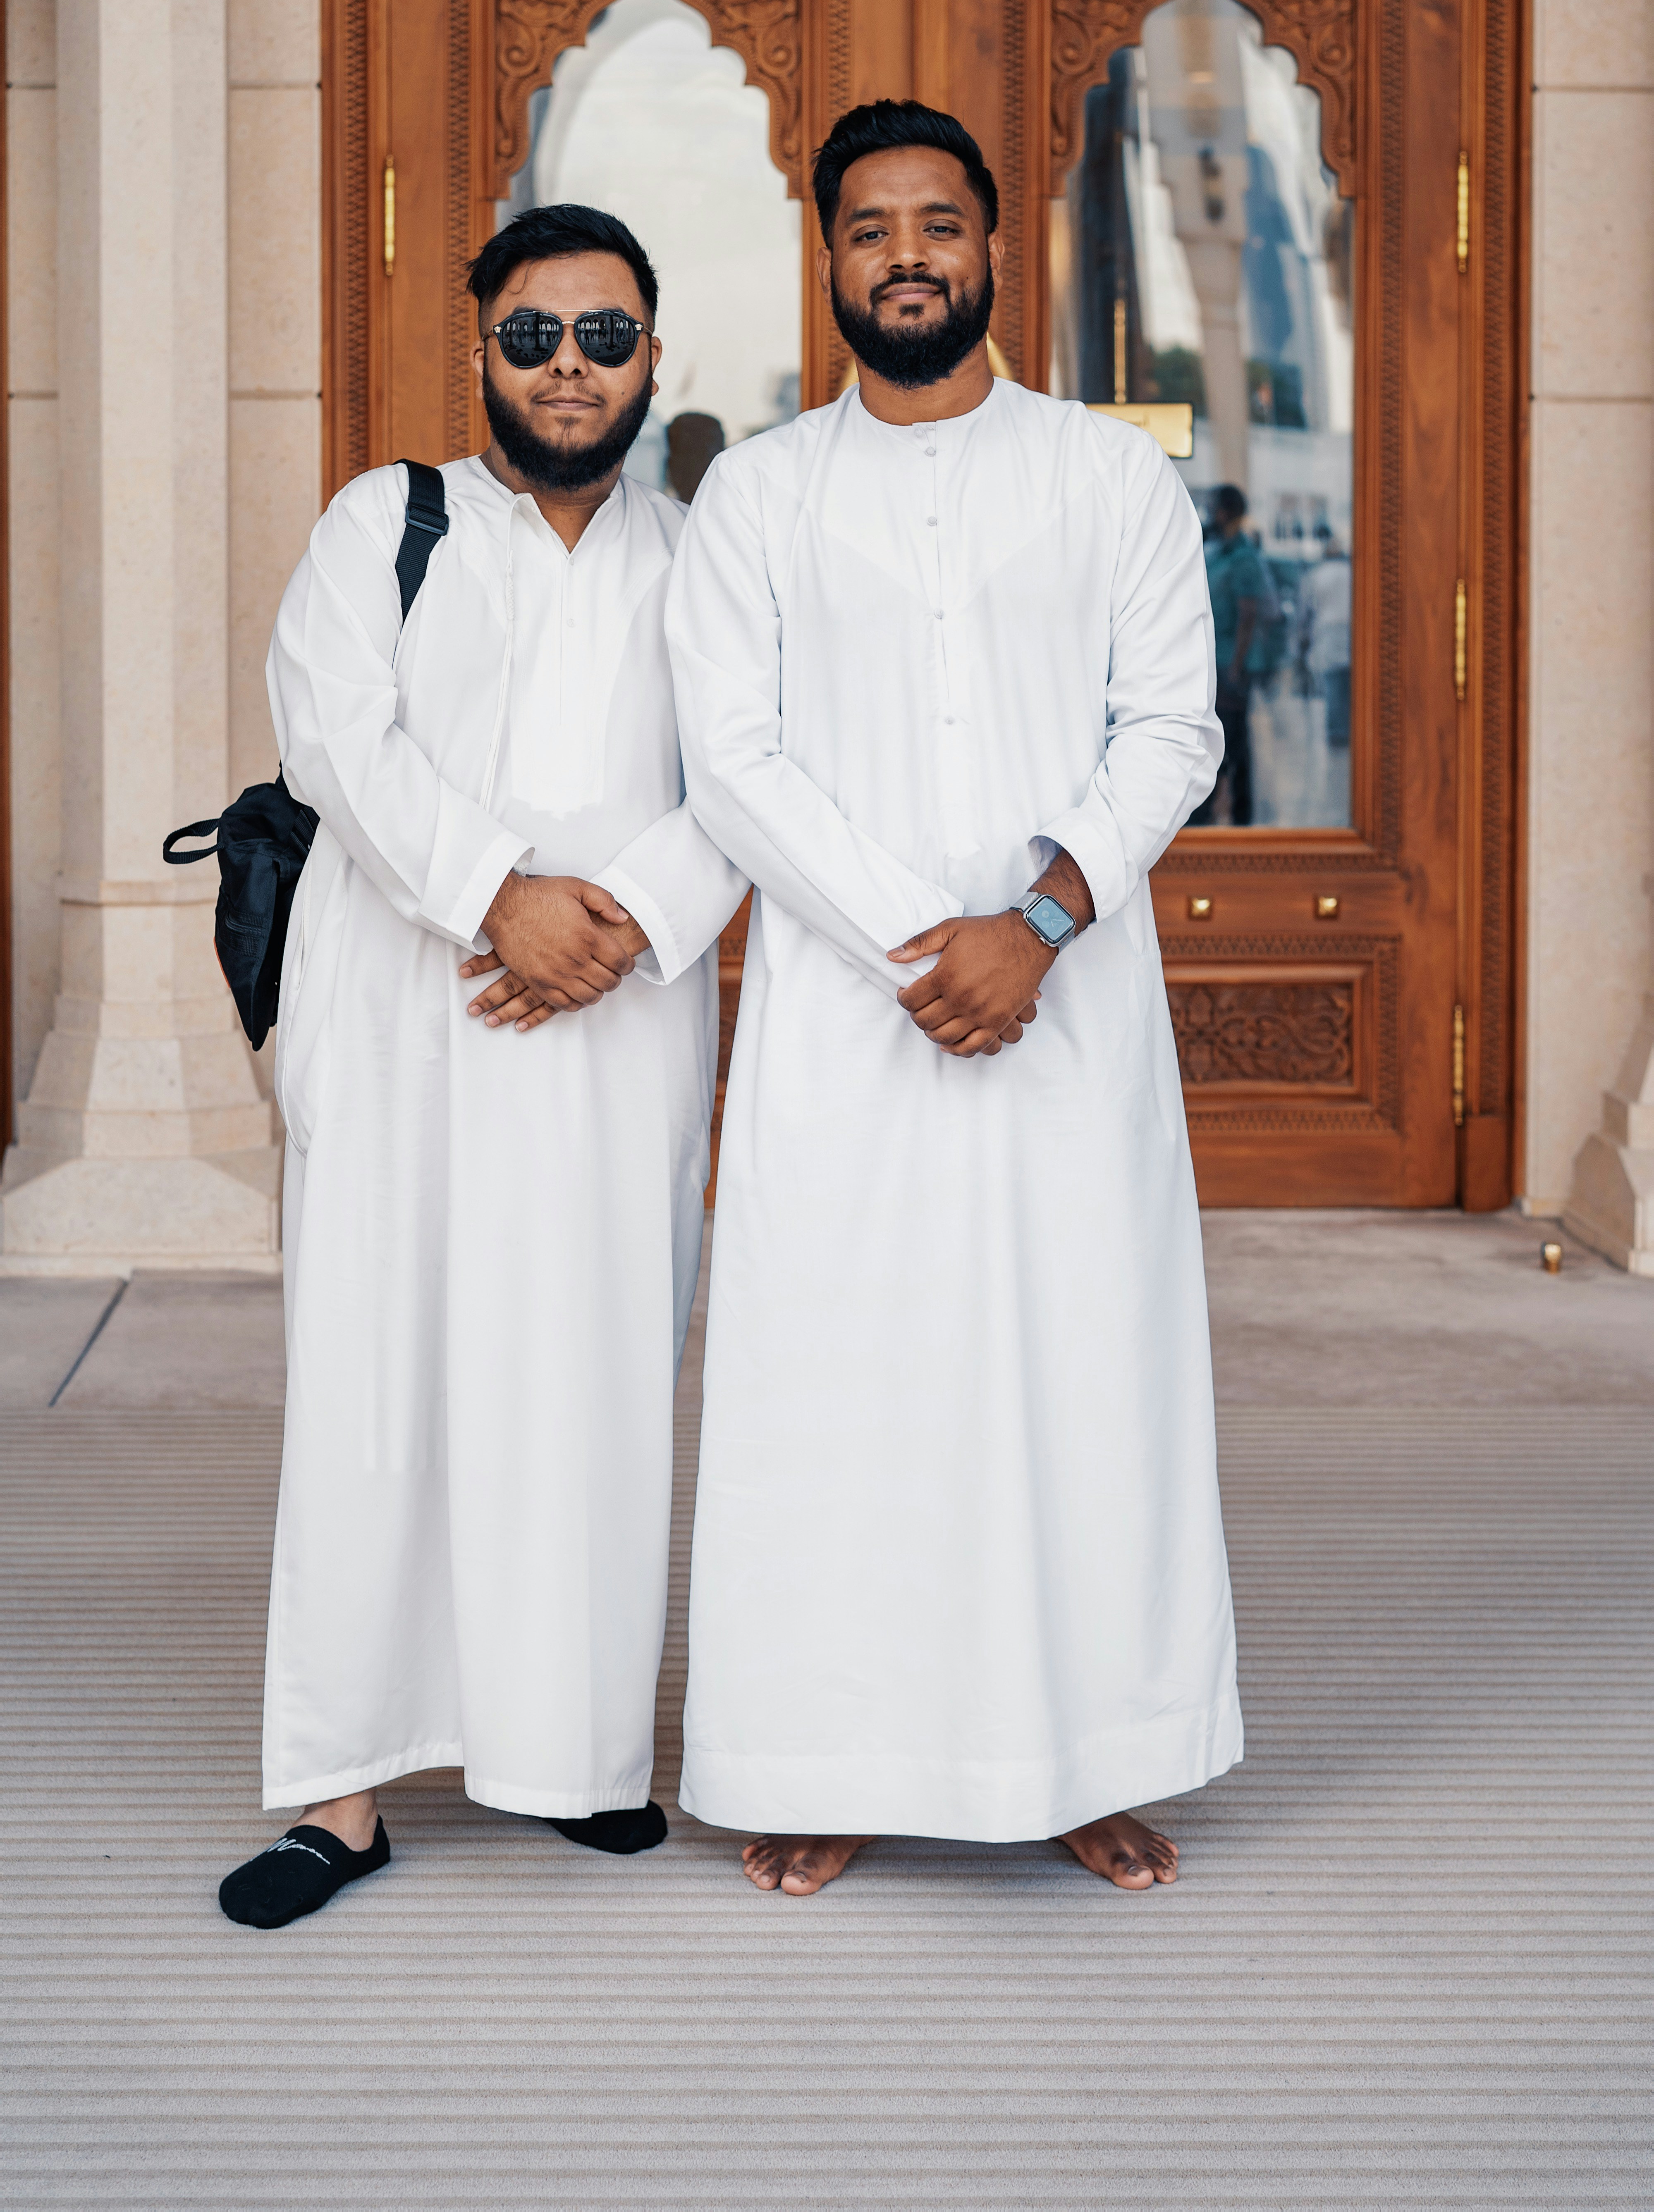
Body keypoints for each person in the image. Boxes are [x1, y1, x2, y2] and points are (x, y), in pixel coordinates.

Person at [665, 99, 1243, 1898]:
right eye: (868, 227)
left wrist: (1039, 919)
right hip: (849, 1026)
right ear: (827, 262)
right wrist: (932, 941)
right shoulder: (757, 493)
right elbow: (731, 758)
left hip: (1064, 1012)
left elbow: (1172, 726)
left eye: (935, 222)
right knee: (838, 1381)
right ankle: (821, 1752)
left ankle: (1085, 1753)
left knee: (1076, 1376)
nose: (903, 254)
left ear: (995, 248)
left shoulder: (1107, 477)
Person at [218, 203, 746, 1929]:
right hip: (407, 1023)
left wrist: (630, 918)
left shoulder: (706, 557)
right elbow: (333, 736)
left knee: (592, 1387)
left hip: (620, 1029)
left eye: (603, 336)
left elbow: (755, 773)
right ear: (482, 353)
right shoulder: (388, 524)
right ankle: (342, 1793)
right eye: (533, 335)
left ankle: (574, 1756)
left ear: (651, 356)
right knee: (378, 1391)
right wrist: (497, 897)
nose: (568, 367)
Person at [1189, 484, 1270, 827]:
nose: (1209, 514)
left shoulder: (1243, 557)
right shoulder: (1218, 551)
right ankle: (1217, 813)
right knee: (1223, 739)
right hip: (1216, 662)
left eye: (1213, 507)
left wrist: (1237, 666)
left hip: (1231, 665)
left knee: (1230, 743)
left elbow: (1248, 615)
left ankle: (1235, 816)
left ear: (1226, 512)